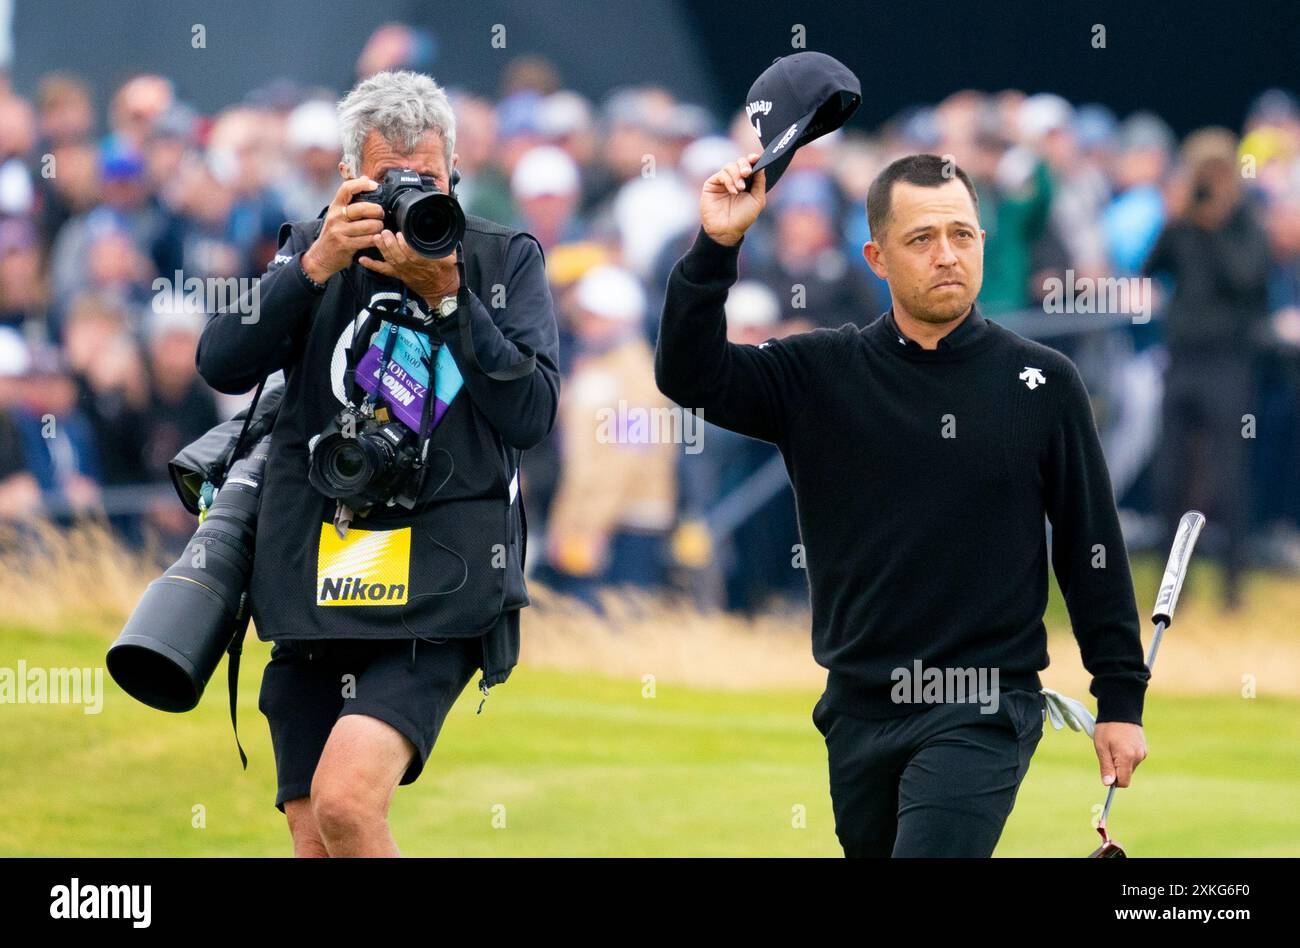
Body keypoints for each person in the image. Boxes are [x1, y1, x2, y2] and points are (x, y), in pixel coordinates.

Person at [655, 152, 1150, 857]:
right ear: (876, 257)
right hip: (857, 708)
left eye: (962, 235)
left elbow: (1090, 548)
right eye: (921, 239)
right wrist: (717, 245)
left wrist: (1120, 701)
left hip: (985, 703)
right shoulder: (820, 372)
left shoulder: (1041, 381)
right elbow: (688, 375)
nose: (946, 255)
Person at [196, 70, 560, 857]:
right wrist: (316, 264)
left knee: (347, 805)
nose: (404, 195)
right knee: (312, 830)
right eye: (384, 177)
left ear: (454, 170)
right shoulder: (310, 249)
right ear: (344, 175)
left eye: (423, 178)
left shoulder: (502, 259)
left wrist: (451, 300)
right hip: (317, 571)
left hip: (439, 575)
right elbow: (221, 362)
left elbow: (530, 414)